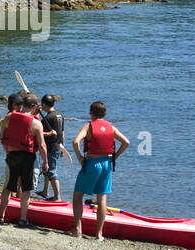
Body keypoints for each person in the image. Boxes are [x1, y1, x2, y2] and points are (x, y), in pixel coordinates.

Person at [71, 101, 130, 239]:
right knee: (102, 197)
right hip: (107, 164)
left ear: (91, 113)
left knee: (78, 195)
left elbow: (75, 142)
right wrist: (115, 156)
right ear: (104, 113)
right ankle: (99, 234)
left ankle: (78, 230)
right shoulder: (111, 127)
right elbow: (126, 142)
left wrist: (80, 157)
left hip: (92, 163)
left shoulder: (88, 126)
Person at [0, 93, 49, 228]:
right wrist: (45, 162)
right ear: (35, 106)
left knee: (8, 186)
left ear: (22, 105)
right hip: (28, 158)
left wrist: (7, 151)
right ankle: (22, 219)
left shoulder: (9, 117)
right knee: (26, 189)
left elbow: (2, 136)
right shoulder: (36, 124)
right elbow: (42, 145)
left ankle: (1, 216)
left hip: (12, 156)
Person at [36, 94, 73, 200]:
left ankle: (57, 197)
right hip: (57, 145)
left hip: (50, 147)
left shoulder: (47, 117)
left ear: (43, 104)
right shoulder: (59, 115)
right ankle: (45, 191)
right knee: (47, 170)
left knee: (51, 171)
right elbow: (62, 132)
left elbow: (39, 132)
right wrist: (62, 146)